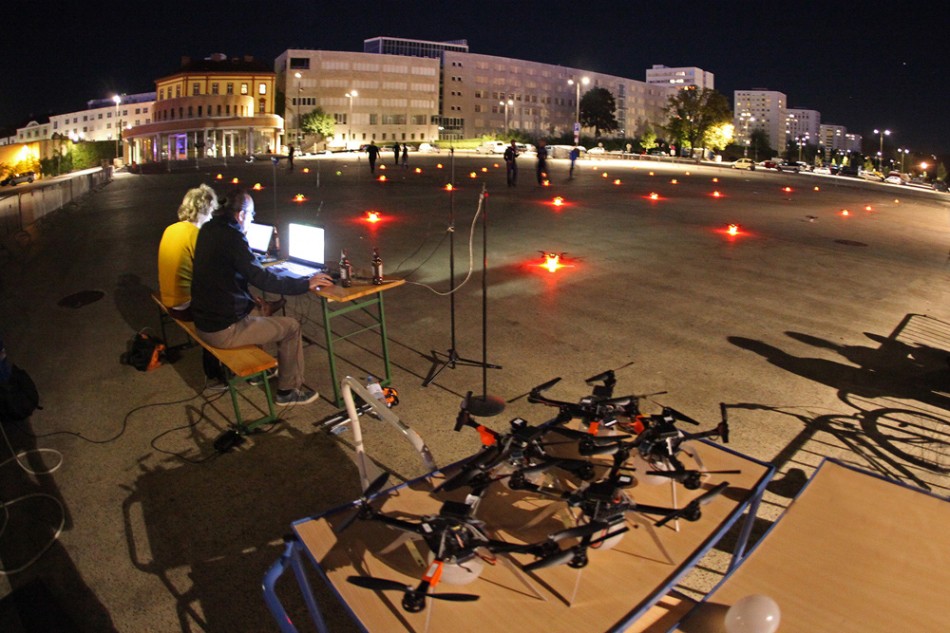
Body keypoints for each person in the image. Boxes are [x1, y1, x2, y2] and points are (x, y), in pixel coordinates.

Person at [191, 188, 334, 406]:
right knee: (291, 327)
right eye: (252, 216)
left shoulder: (209, 229)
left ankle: (259, 374)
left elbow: (222, 276)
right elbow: (262, 279)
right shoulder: (233, 238)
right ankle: (288, 391)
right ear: (240, 215)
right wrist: (305, 283)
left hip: (203, 319)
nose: (252, 220)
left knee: (257, 307)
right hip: (221, 330)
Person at [157, 184, 226, 388]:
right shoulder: (196, 234)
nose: (213, 216)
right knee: (226, 310)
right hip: (184, 306)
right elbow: (216, 270)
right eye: (211, 211)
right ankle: (216, 373)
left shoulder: (172, 228)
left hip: (169, 299)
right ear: (204, 209)